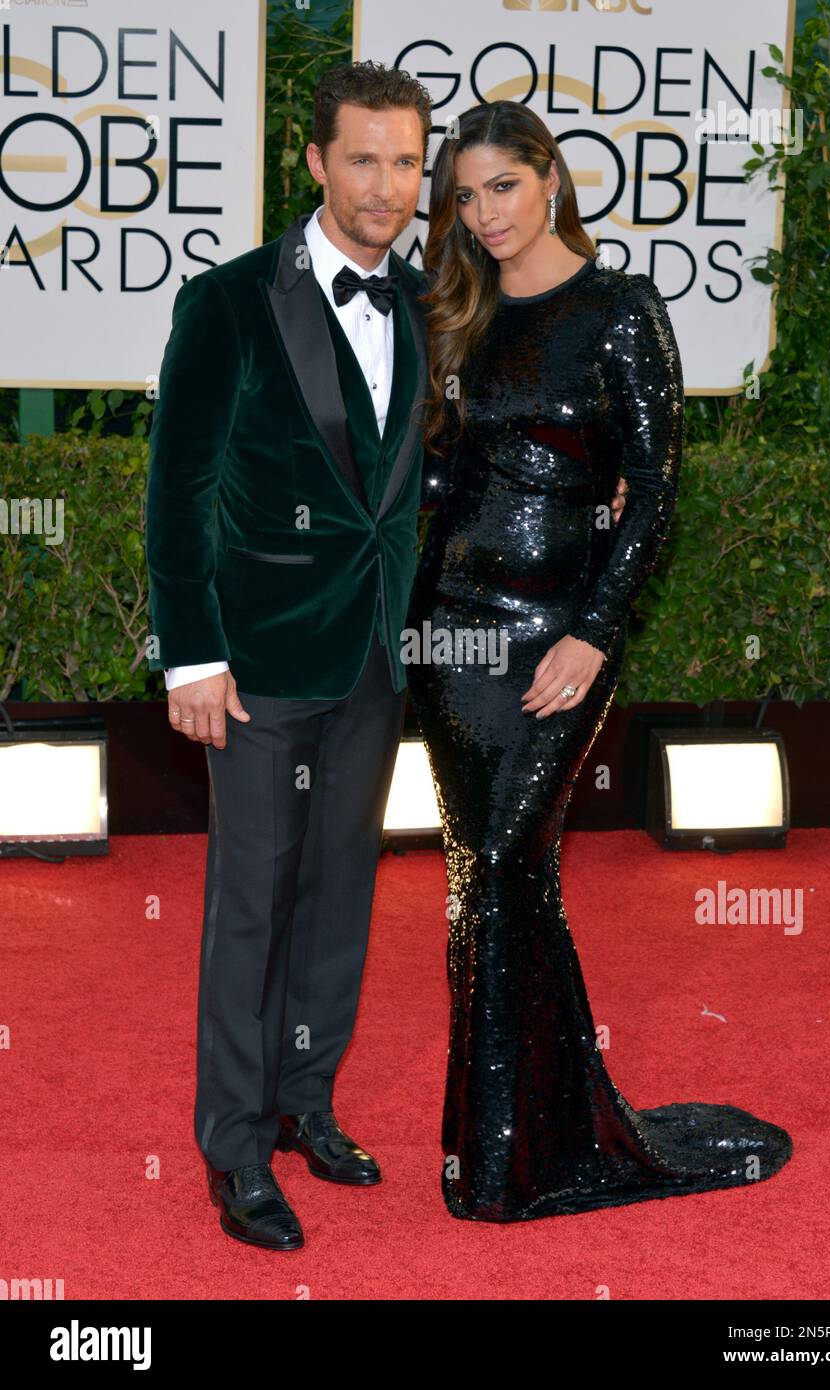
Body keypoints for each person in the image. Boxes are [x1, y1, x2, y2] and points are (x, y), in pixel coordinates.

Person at [406, 100, 793, 1222]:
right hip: (450, 634)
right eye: (464, 197)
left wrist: (595, 630)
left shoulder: (621, 311)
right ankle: (522, 1140)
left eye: (501, 188)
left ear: (549, 178)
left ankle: (519, 1151)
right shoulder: (458, 315)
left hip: (557, 637)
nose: (482, 215)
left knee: (498, 857)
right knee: (490, 879)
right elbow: (440, 480)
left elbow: (655, 490)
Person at [145, 61, 435, 1250]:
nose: (385, 186)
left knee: (338, 901)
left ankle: (304, 1105)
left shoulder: (424, 304)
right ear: (313, 163)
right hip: (255, 663)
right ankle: (230, 1148)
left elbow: (412, 481)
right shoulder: (226, 302)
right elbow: (178, 485)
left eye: (406, 163)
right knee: (250, 908)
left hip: (370, 652)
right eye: (361, 159)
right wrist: (190, 656)